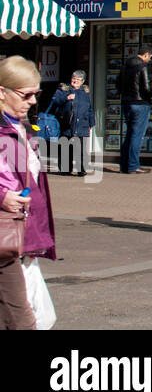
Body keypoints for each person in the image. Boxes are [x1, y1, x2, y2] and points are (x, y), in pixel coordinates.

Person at [0, 57, 57, 329]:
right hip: (4, 239)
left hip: (16, 238)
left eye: (37, 93)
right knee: (24, 321)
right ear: (2, 91)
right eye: (26, 94)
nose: (33, 100)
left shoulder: (19, 127)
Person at [50, 71, 94, 176]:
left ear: (82, 81)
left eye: (78, 79)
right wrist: (67, 98)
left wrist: (91, 122)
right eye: (74, 78)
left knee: (81, 148)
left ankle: (81, 170)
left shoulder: (85, 92)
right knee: (66, 146)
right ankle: (65, 169)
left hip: (82, 124)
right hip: (67, 123)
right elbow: (55, 101)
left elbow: (89, 108)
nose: (75, 81)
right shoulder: (64, 89)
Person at [117, 50, 152, 175]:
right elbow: (146, 87)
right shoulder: (142, 67)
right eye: (149, 57)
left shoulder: (124, 66)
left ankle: (124, 165)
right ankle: (133, 166)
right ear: (146, 54)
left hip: (127, 103)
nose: (149, 59)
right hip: (140, 103)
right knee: (137, 135)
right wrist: (149, 97)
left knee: (129, 134)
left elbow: (117, 85)